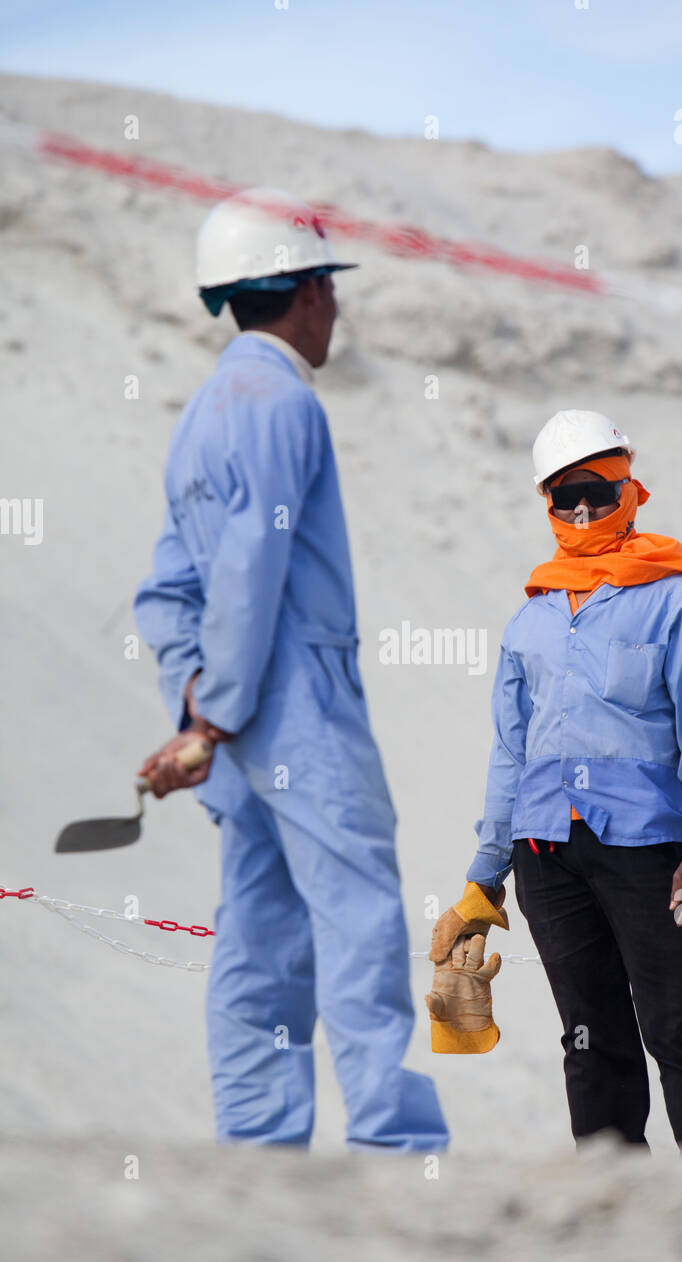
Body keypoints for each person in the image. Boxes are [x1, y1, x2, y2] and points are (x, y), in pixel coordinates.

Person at [134, 187, 448, 1153]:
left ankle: (259, 1152)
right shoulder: (279, 401)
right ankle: (395, 1151)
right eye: (329, 288)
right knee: (357, 924)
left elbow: (165, 591)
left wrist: (192, 706)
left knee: (261, 940)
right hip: (296, 703)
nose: (336, 311)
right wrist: (218, 715)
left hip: (231, 719)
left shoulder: (202, 415)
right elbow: (248, 572)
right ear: (306, 292)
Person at [430, 410, 682, 1149]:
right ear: (546, 502)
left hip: (658, 855)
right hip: (545, 855)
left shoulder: (677, 592)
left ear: (629, 487)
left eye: (598, 493)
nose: (581, 511)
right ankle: (617, 1219)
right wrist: (484, 879)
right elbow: (509, 753)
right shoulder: (533, 616)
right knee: (590, 1042)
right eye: (564, 497)